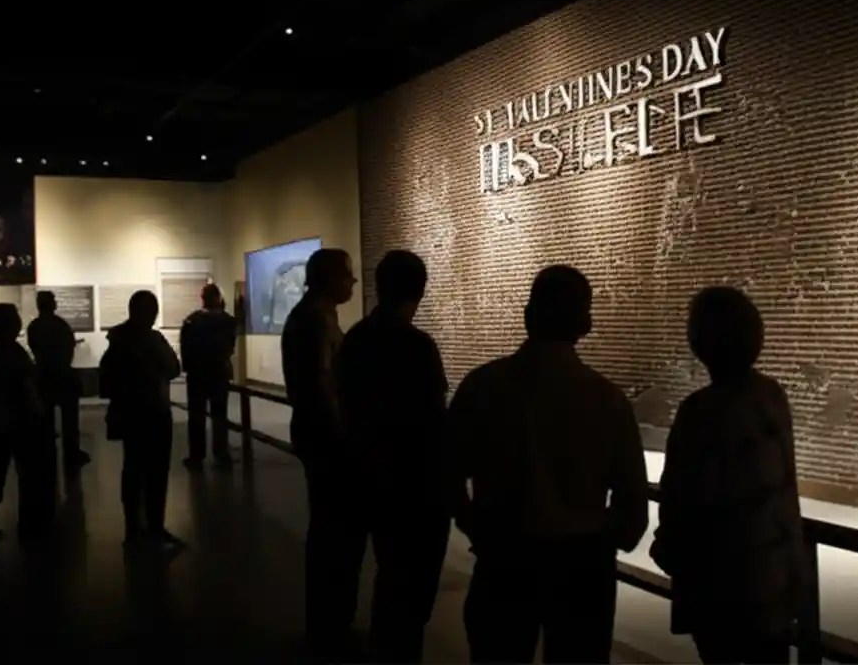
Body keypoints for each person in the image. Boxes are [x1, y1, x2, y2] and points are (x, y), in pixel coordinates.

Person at [450, 265, 649, 664]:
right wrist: (603, 536)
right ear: (585, 322)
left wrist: (477, 523)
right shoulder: (607, 399)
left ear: (528, 315)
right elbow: (632, 506)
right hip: (583, 567)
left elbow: (446, 472)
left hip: (504, 560)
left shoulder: (483, 386)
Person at [650, 287, 808, 665]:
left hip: (720, 587)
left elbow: (681, 499)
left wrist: (667, 550)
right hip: (773, 580)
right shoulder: (772, 396)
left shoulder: (700, 411)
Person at [337, 250, 449, 663]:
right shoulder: (417, 346)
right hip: (414, 486)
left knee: (390, 577)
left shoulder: (355, 340)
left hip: (370, 476)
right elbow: (434, 423)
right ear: (420, 290)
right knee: (411, 591)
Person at [280, 248, 358, 656]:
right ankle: (330, 625)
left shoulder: (310, 316)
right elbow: (321, 386)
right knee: (333, 533)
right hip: (327, 441)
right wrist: (344, 435)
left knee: (329, 531)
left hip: (318, 436)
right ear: (329, 277)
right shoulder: (315, 320)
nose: (353, 282)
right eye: (347, 274)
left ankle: (327, 620)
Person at [99, 290, 183, 550]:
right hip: (153, 413)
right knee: (155, 474)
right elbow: (173, 368)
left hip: (130, 413)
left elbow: (106, 382)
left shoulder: (117, 341)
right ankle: (153, 529)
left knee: (133, 471)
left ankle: (134, 529)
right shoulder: (152, 340)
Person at [0, 303, 54, 550]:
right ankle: (29, 527)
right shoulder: (15, 353)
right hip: (19, 423)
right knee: (27, 475)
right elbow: (28, 387)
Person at [27, 290, 91, 473]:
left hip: (43, 376)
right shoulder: (60, 325)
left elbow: (36, 349)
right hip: (63, 375)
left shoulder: (35, 326)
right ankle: (71, 454)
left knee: (45, 420)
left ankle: (47, 454)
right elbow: (68, 349)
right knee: (69, 420)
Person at [179, 283, 237, 469]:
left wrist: (189, 368)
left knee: (196, 416)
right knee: (220, 415)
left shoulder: (192, 320)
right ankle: (221, 453)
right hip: (219, 373)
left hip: (197, 374)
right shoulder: (228, 321)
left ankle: (197, 456)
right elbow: (229, 347)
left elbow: (185, 348)